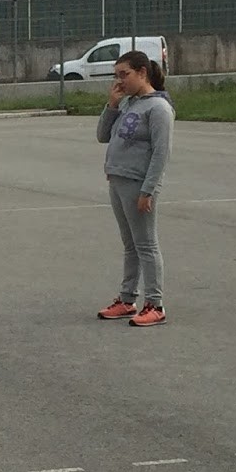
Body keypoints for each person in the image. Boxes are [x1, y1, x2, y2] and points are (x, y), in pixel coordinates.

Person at [95, 50, 174, 327]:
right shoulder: (128, 103)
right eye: (117, 76)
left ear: (142, 73)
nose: (120, 81)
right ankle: (127, 298)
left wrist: (149, 190)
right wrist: (112, 105)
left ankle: (155, 303)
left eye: (124, 75)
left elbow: (161, 154)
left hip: (138, 184)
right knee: (130, 245)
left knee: (146, 244)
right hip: (118, 180)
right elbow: (103, 136)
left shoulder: (159, 109)